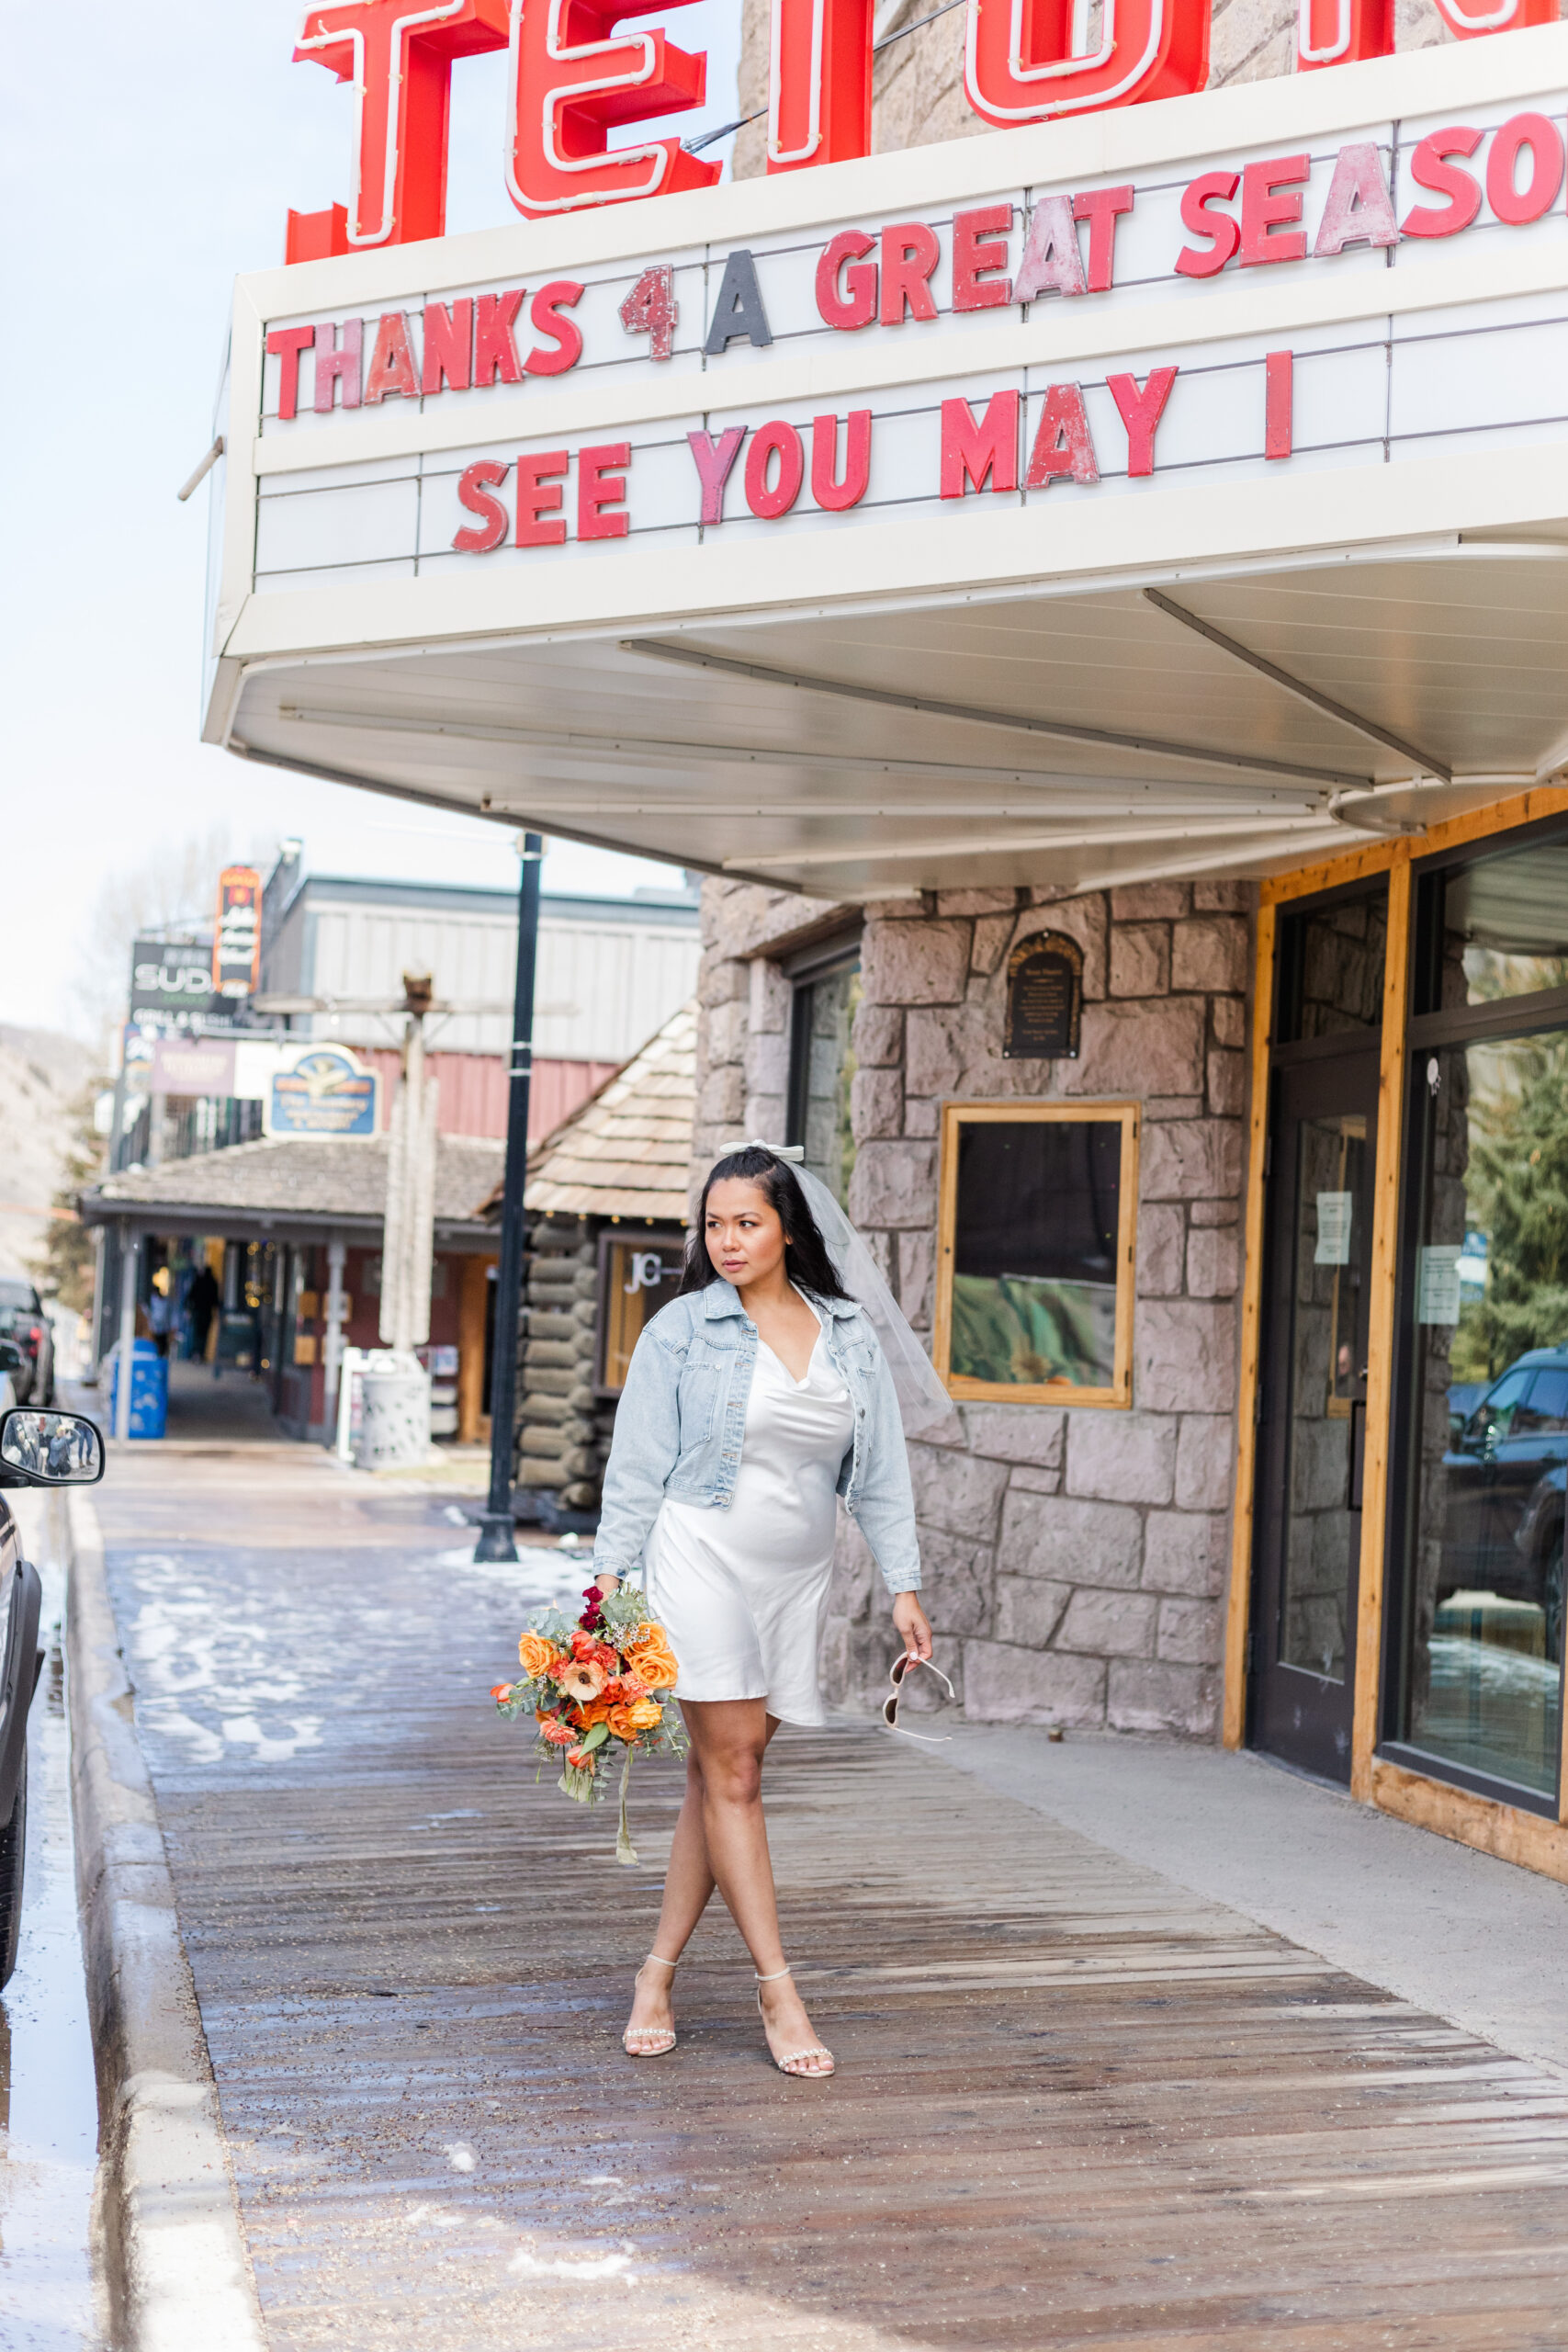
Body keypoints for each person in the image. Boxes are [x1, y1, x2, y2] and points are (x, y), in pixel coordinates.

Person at [592, 1142, 944, 2080]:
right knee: (738, 1771)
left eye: (747, 1221)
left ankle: (655, 1977)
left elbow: (878, 1474)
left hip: (794, 1576)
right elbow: (634, 1471)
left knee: (719, 1781)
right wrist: (607, 1592)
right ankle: (779, 1990)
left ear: (789, 1226)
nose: (729, 1239)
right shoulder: (681, 1330)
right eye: (715, 1224)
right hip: (697, 1553)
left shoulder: (846, 1330)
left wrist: (903, 1582)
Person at [186, 1263, 220, 1363]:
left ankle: (195, 1353)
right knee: (203, 1334)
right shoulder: (212, 1283)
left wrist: (189, 1309)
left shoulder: (199, 1281)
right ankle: (200, 1353)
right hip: (207, 1313)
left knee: (196, 1333)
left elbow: (190, 1296)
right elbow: (215, 1300)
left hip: (197, 1312)